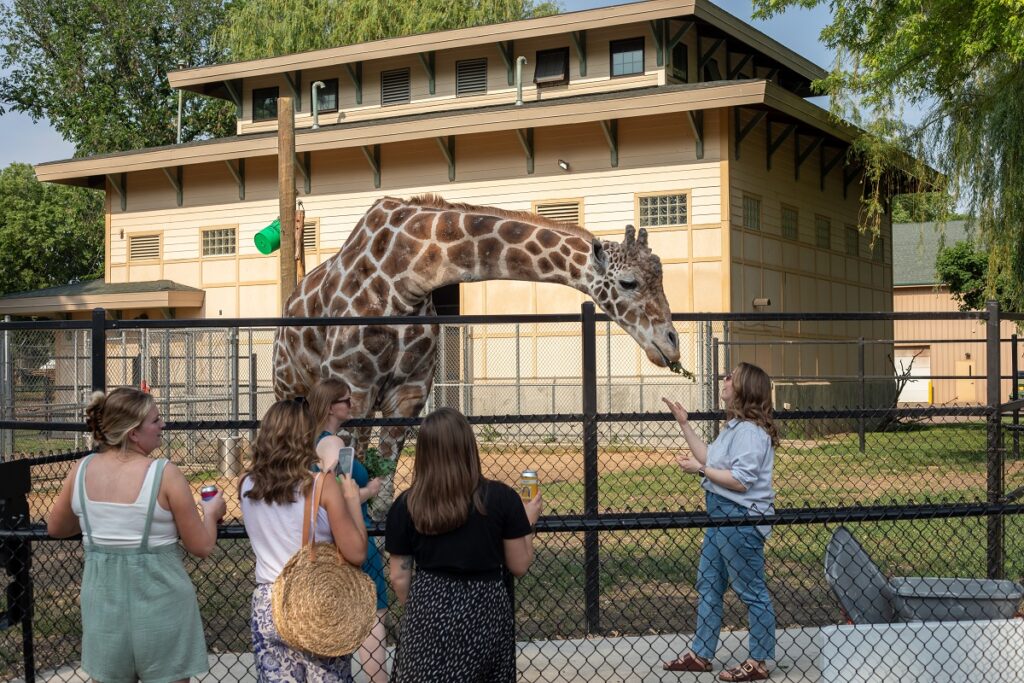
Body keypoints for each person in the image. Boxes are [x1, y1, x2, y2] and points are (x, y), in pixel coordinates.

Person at [47, 387, 226, 683]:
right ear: (133, 432)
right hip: (163, 610)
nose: (163, 426)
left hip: (104, 611)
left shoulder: (82, 469)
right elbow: (202, 545)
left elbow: (57, 527)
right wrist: (211, 512)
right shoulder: (164, 473)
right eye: (156, 420)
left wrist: (101, 520)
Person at [385, 407, 543, 683]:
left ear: (424, 451)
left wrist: (423, 611)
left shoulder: (406, 505)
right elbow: (519, 565)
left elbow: (399, 577)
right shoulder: (501, 498)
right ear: (468, 447)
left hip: (429, 603)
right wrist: (527, 522)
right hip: (485, 607)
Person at [661, 362, 779, 682]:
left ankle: (759, 661)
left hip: (739, 518)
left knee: (750, 590)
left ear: (744, 389)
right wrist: (685, 425)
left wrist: (700, 471)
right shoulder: (734, 428)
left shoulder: (752, 433)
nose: (724, 380)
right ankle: (701, 654)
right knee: (709, 583)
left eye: (731, 377)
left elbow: (740, 481)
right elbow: (709, 458)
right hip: (720, 515)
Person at [240, 399, 367, 682]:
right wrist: (351, 500)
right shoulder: (321, 485)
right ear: (305, 437)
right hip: (316, 599)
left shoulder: (246, 484)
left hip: (268, 601)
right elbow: (356, 552)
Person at [307, 378, 388, 683]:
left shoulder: (311, 440)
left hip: (329, 539)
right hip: (355, 532)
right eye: (345, 400)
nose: (351, 404)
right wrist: (371, 489)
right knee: (374, 612)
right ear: (330, 407)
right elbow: (339, 494)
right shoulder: (333, 443)